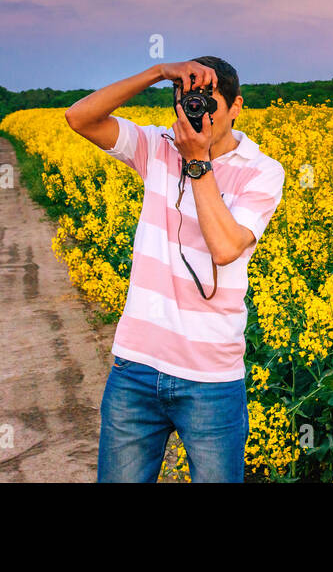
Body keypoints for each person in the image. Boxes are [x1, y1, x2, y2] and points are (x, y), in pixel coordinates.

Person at [64, 56, 285, 482]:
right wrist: (159, 73)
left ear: (235, 106)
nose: (197, 110)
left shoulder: (262, 171)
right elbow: (79, 117)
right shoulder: (157, 147)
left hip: (210, 379)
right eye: (187, 100)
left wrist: (198, 162)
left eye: (208, 100)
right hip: (136, 367)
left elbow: (224, 249)